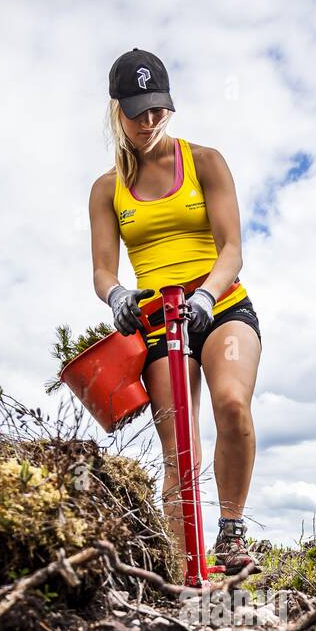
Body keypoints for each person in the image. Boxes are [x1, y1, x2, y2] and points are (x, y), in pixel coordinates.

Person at [89, 48, 262, 575]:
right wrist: (118, 296)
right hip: (159, 322)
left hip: (221, 307)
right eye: (136, 110)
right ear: (116, 109)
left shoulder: (205, 161)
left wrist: (207, 295)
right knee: (179, 443)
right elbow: (102, 271)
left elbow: (232, 248)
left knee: (231, 403)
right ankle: (186, 572)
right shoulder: (105, 189)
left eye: (157, 109)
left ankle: (230, 534)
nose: (148, 121)